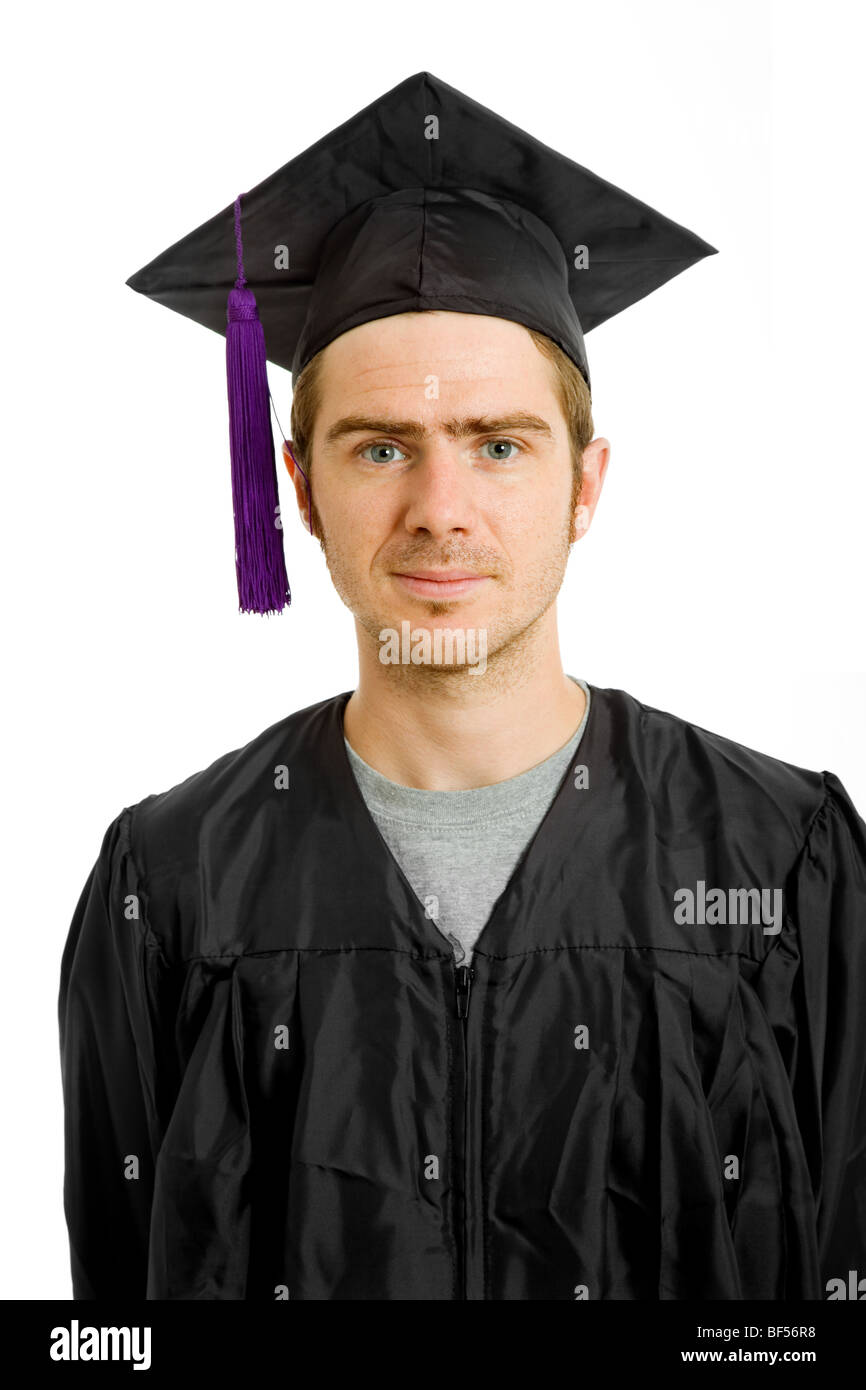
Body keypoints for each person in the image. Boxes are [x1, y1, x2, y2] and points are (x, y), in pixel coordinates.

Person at [59, 71, 866, 1301]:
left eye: (498, 444)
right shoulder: (168, 890)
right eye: (381, 447)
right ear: (302, 487)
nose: (441, 512)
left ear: (585, 484)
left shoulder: (778, 860)